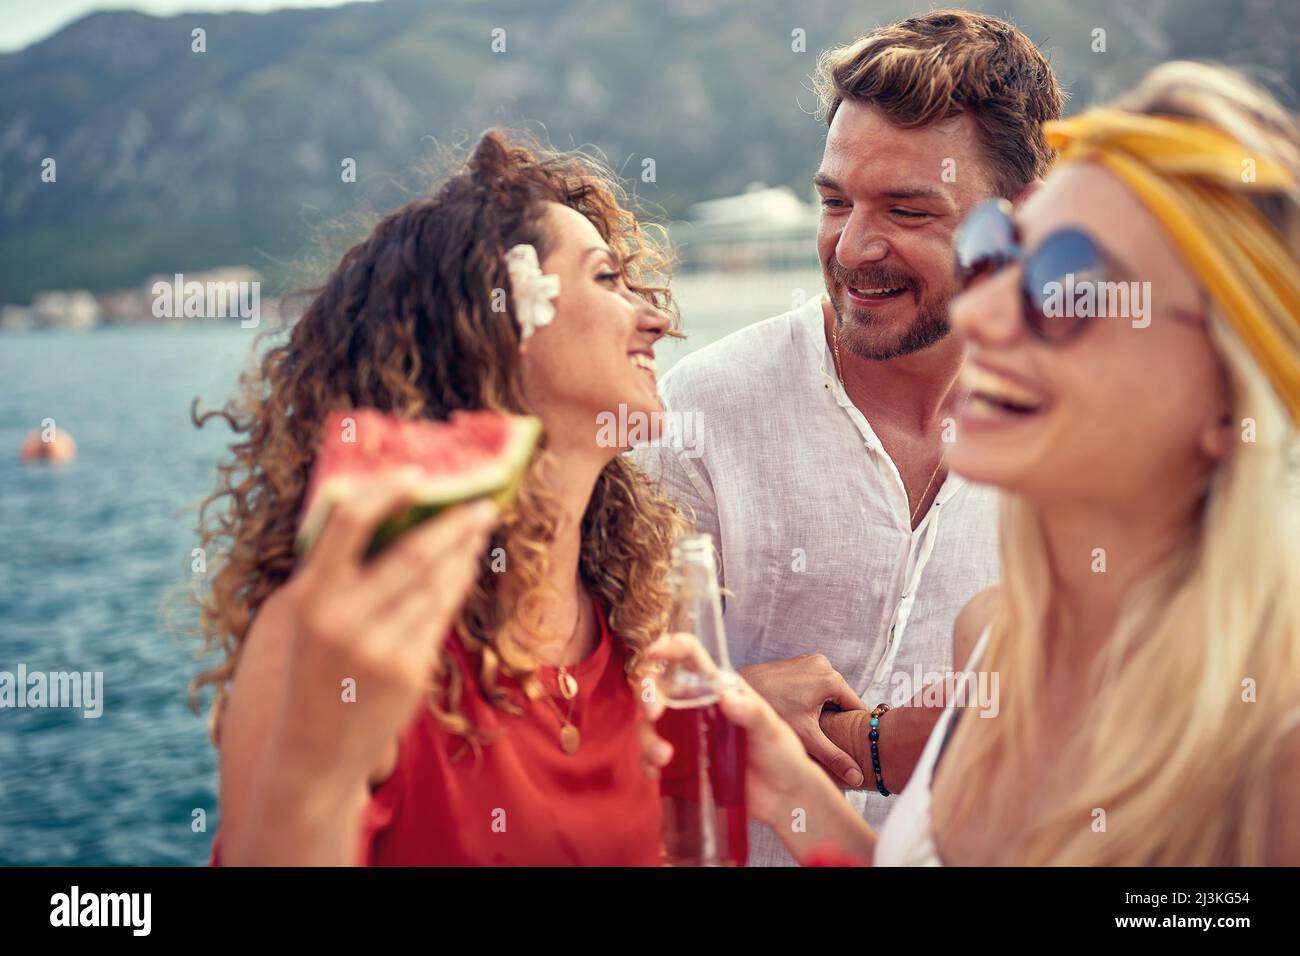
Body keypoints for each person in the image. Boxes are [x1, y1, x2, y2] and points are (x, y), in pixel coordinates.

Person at [641, 61, 1300, 866]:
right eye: (999, 255)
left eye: (1063, 286)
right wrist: (795, 794)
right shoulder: (991, 643)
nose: (985, 308)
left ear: (1231, 396)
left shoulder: (1273, 741)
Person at [630, 9, 1062, 864]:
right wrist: (723, 704)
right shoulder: (700, 413)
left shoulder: (1078, 439)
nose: (854, 247)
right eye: (834, 201)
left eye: (907, 210)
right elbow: (596, 699)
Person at [191, 130, 686, 865]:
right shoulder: (325, 637)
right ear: (498, 322)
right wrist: (316, 768)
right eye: (608, 280)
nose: (658, 319)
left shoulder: (637, 625)